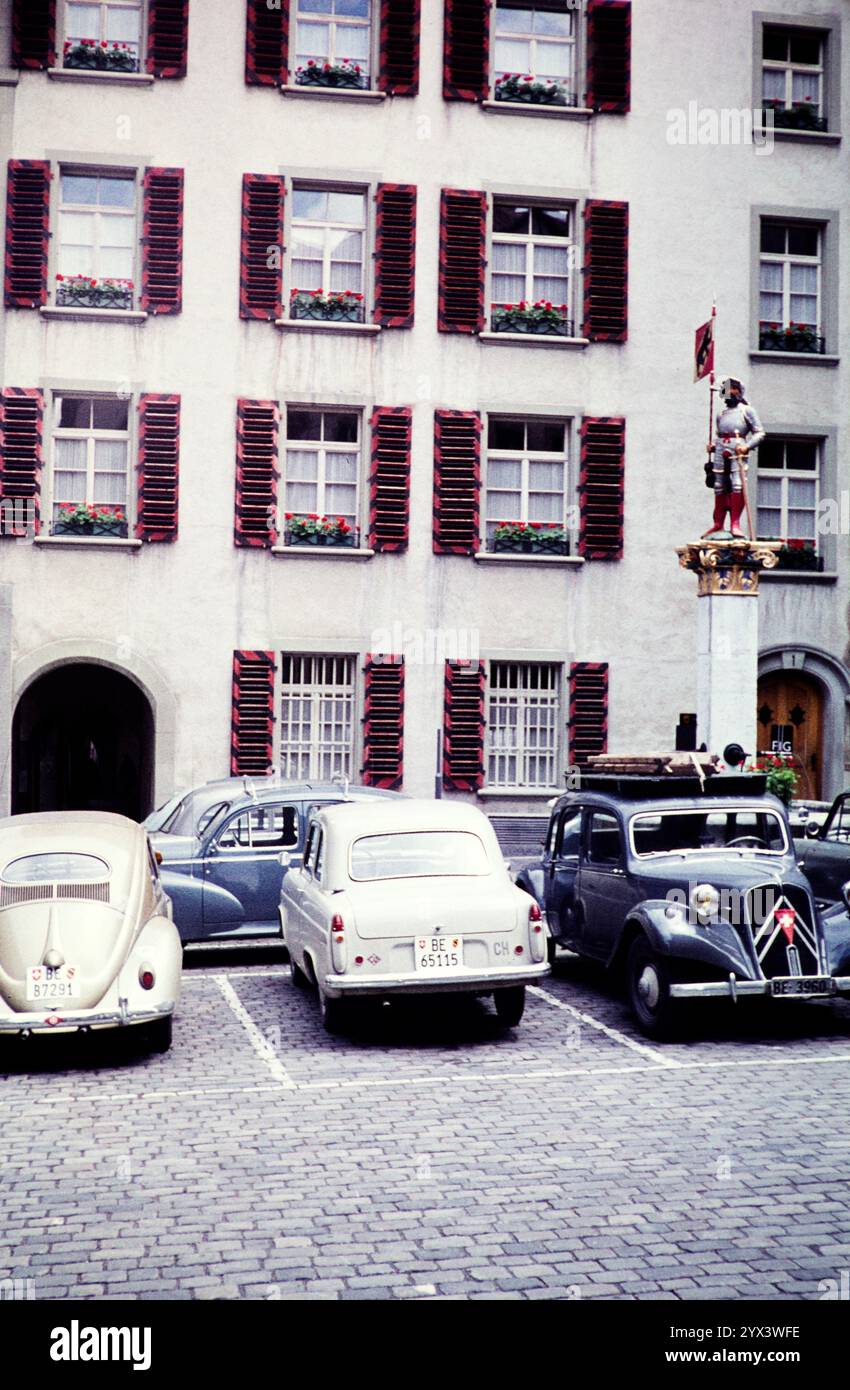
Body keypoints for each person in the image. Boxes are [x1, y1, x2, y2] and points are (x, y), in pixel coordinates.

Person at [704, 376, 765, 538]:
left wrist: (747, 446)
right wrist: (714, 446)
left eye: (733, 389)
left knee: (737, 485)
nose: (729, 392)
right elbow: (720, 434)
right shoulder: (721, 414)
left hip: (737, 448)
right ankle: (718, 523)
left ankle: (735, 523)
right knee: (719, 485)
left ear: (739, 391)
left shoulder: (746, 410)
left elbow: (759, 433)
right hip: (721, 448)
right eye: (726, 389)